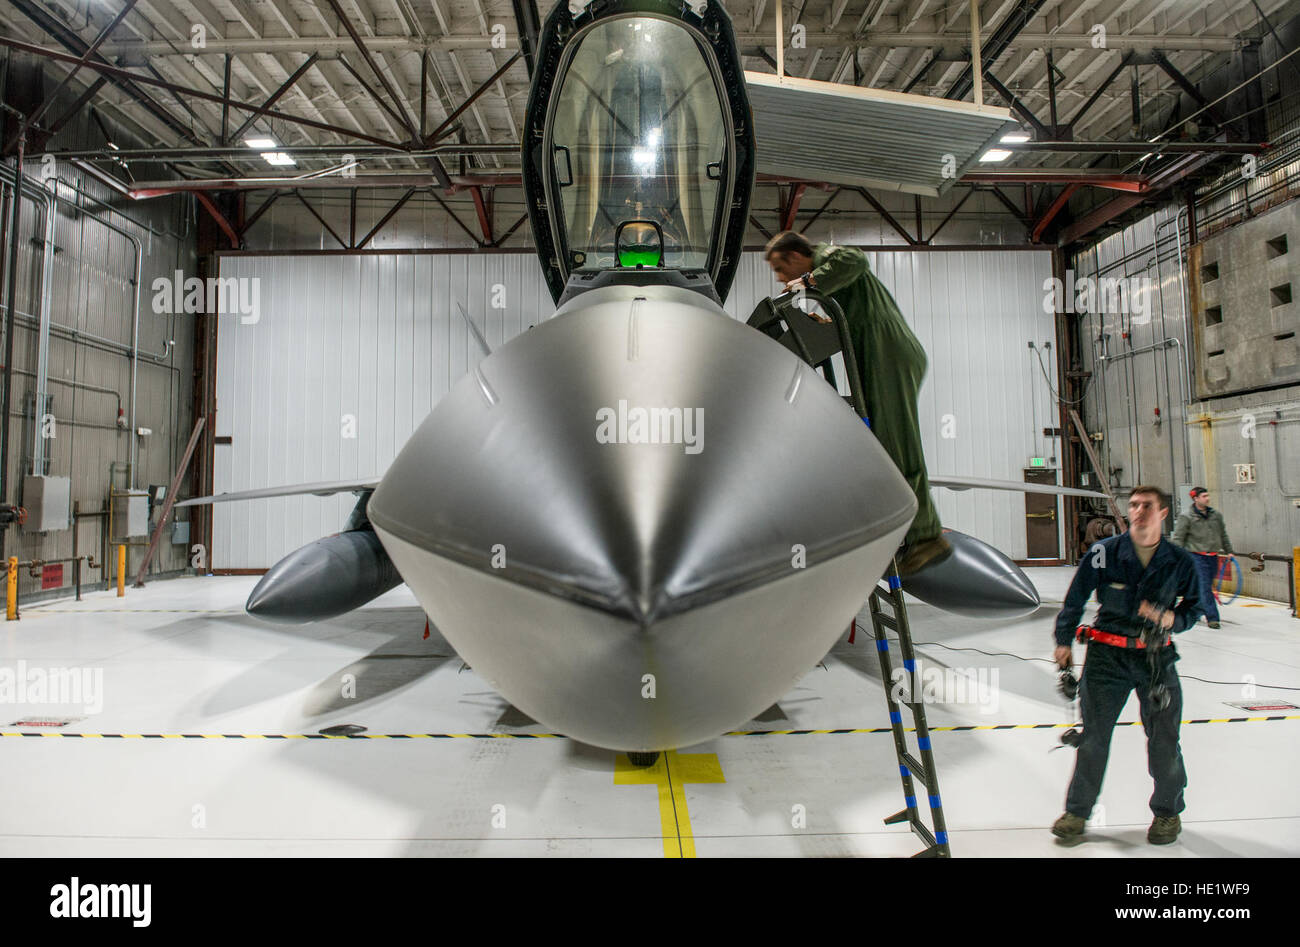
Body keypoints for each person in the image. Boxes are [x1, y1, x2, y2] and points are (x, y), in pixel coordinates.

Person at [763, 232, 949, 576]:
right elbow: (857, 309)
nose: (779, 277)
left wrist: (807, 281)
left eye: (779, 268)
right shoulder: (831, 278)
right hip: (878, 352)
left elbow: (856, 259)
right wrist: (825, 322)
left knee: (898, 445)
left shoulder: (830, 258)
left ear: (795, 256)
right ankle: (912, 531)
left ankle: (926, 536)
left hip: (887, 352)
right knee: (886, 444)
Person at [1050, 485, 1204, 846]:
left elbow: (1195, 608)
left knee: (1164, 741)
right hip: (1107, 658)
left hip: (1155, 659)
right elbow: (1075, 599)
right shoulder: (1104, 554)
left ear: (1163, 512)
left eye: (1146, 506)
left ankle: (1167, 814)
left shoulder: (1180, 561)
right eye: (1133, 505)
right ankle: (1077, 813)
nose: (1137, 511)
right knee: (1093, 737)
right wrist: (1062, 640)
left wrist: (1170, 619)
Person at [1171, 487, 1234, 629]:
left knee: (1201, 587)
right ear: (1196, 499)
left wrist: (1229, 551)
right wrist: (1176, 557)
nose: (1207, 498)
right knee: (1205, 587)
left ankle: (1194, 610)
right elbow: (1179, 538)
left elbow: (1223, 534)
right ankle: (1213, 618)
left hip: (1212, 556)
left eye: (1208, 495)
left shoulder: (1216, 515)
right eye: (1204, 496)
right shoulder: (1186, 517)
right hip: (1195, 557)